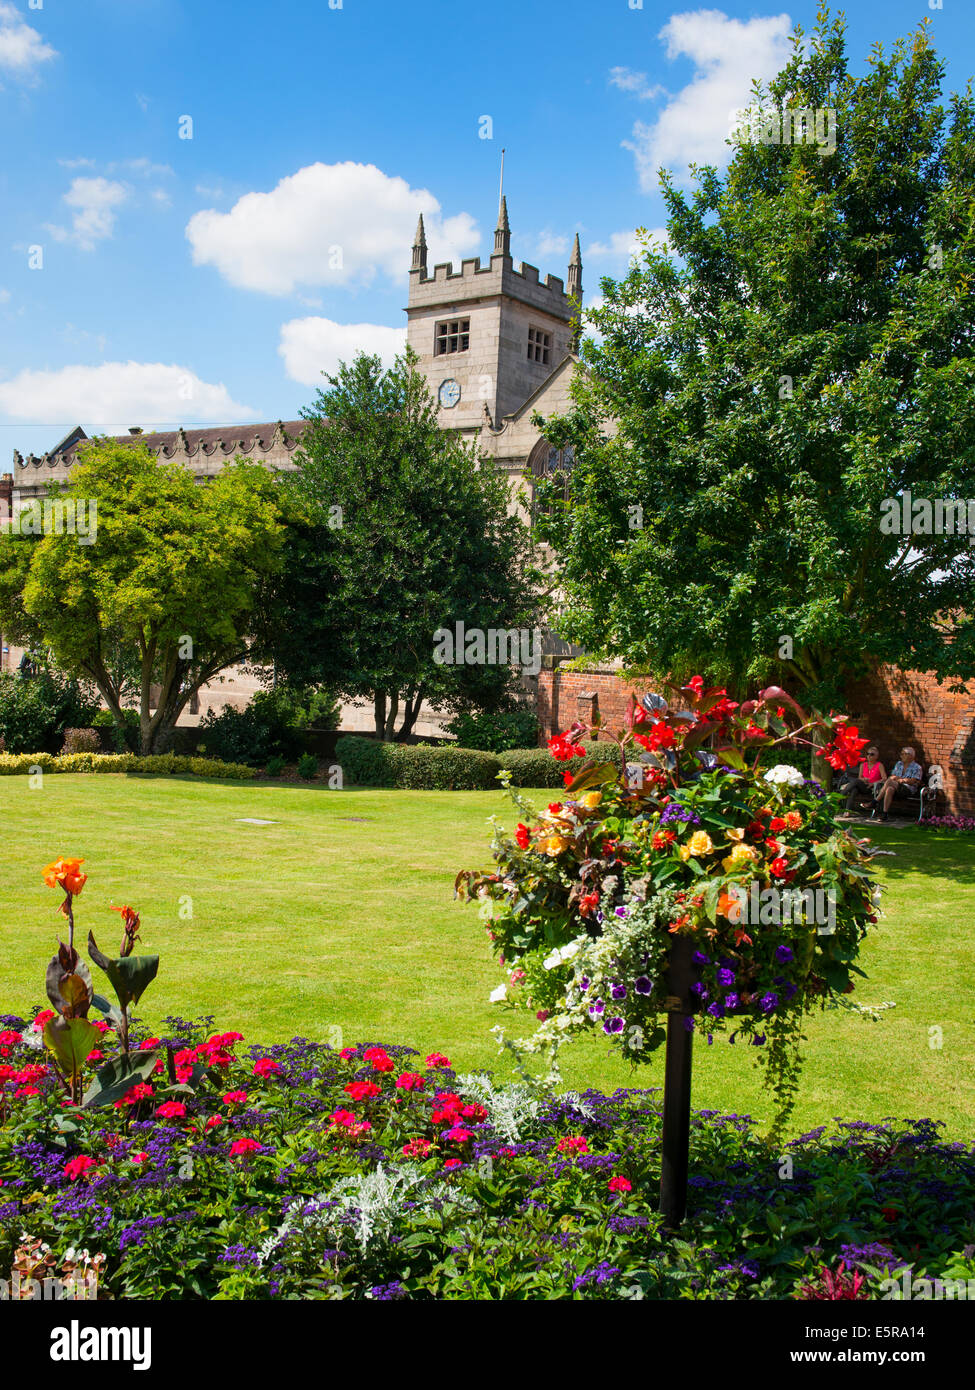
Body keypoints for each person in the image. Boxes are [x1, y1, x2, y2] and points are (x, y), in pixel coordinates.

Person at [877, 746, 923, 820]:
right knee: (889, 789)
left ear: (910, 756)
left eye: (903, 754)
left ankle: (875, 801)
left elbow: (913, 781)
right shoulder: (899, 764)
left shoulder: (917, 767)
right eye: (901, 754)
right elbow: (893, 776)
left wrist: (901, 780)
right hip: (896, 787)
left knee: (890, 781)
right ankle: (885, 814)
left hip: (908, 789)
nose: (901, 756)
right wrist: (902, 779)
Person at [838, 744, 886, 813]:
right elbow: (860, 777)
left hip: (872, 788)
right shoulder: (863, 765)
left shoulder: (879, 765)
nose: (869, 756)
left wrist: (873, 783)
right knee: (854, 789)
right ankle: (847, 811)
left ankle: (839, 797)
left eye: (872, 754)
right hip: (863, 785)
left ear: (876, 756)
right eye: (867, 754)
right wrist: (864, 779)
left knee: (856, 783)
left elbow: (884, 778)